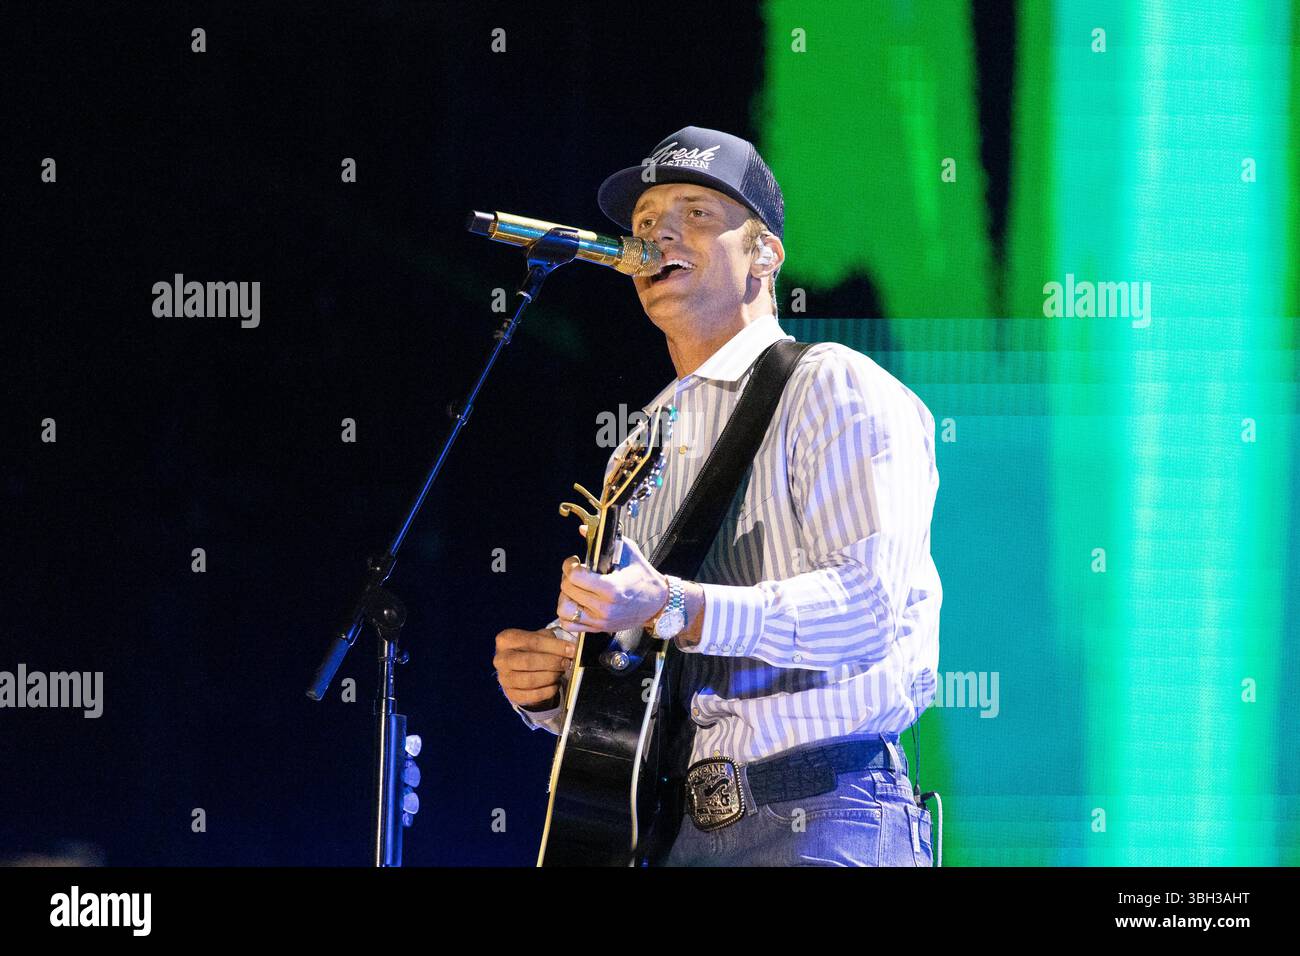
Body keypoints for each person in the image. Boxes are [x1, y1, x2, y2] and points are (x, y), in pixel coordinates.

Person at [494, 126, 941, 866]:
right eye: (642, 222)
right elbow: (639, 659)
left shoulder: (832, 384)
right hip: (671, 831)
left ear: (764, 254)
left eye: (695, 211)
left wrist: (672, 604)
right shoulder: (640, 440)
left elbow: (868, 609)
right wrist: (559, 681)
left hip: (821, 817)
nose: (656, 230)